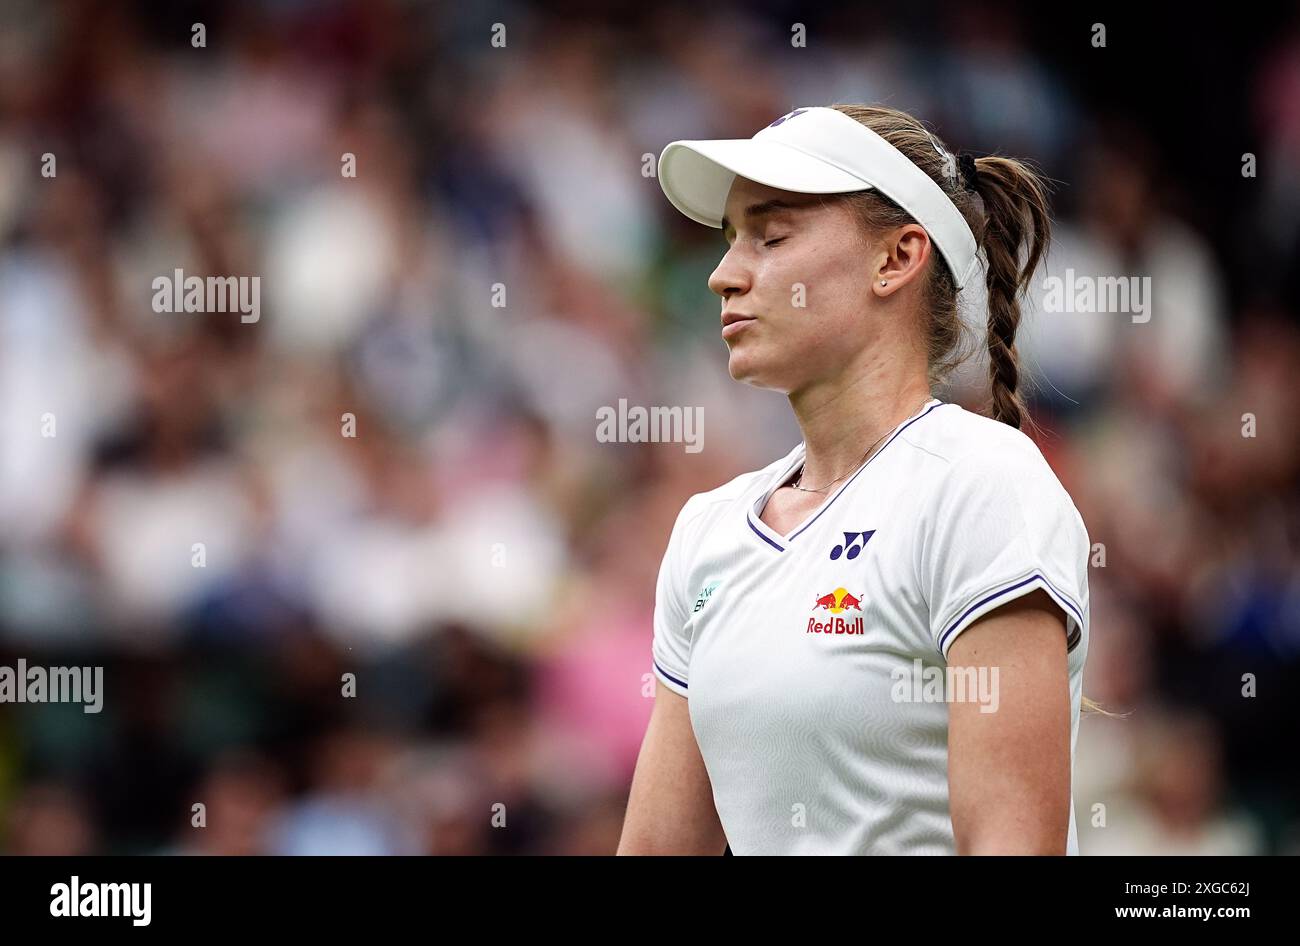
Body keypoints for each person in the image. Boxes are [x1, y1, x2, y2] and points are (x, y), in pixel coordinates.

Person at [618, 104, 1091, 855]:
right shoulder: (704, 532)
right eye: (730, 239)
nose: (722, 274)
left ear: (896, 259)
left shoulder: (982, 484)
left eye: (771, 236)